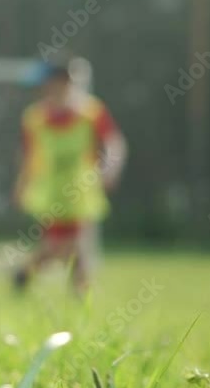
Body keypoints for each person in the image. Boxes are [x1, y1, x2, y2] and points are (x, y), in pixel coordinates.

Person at [12, 54, 127, 295]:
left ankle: (78, 293)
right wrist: (21, 186)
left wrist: (111, 167)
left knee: (76, 244)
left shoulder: (91, 112)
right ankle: (27, 273)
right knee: (58, 247)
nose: (45, 89)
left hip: (81, 190)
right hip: (51, 192)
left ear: (64, 81)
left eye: (49, 82)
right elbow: (29, 157)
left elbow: (114, 143)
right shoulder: (34, 118)